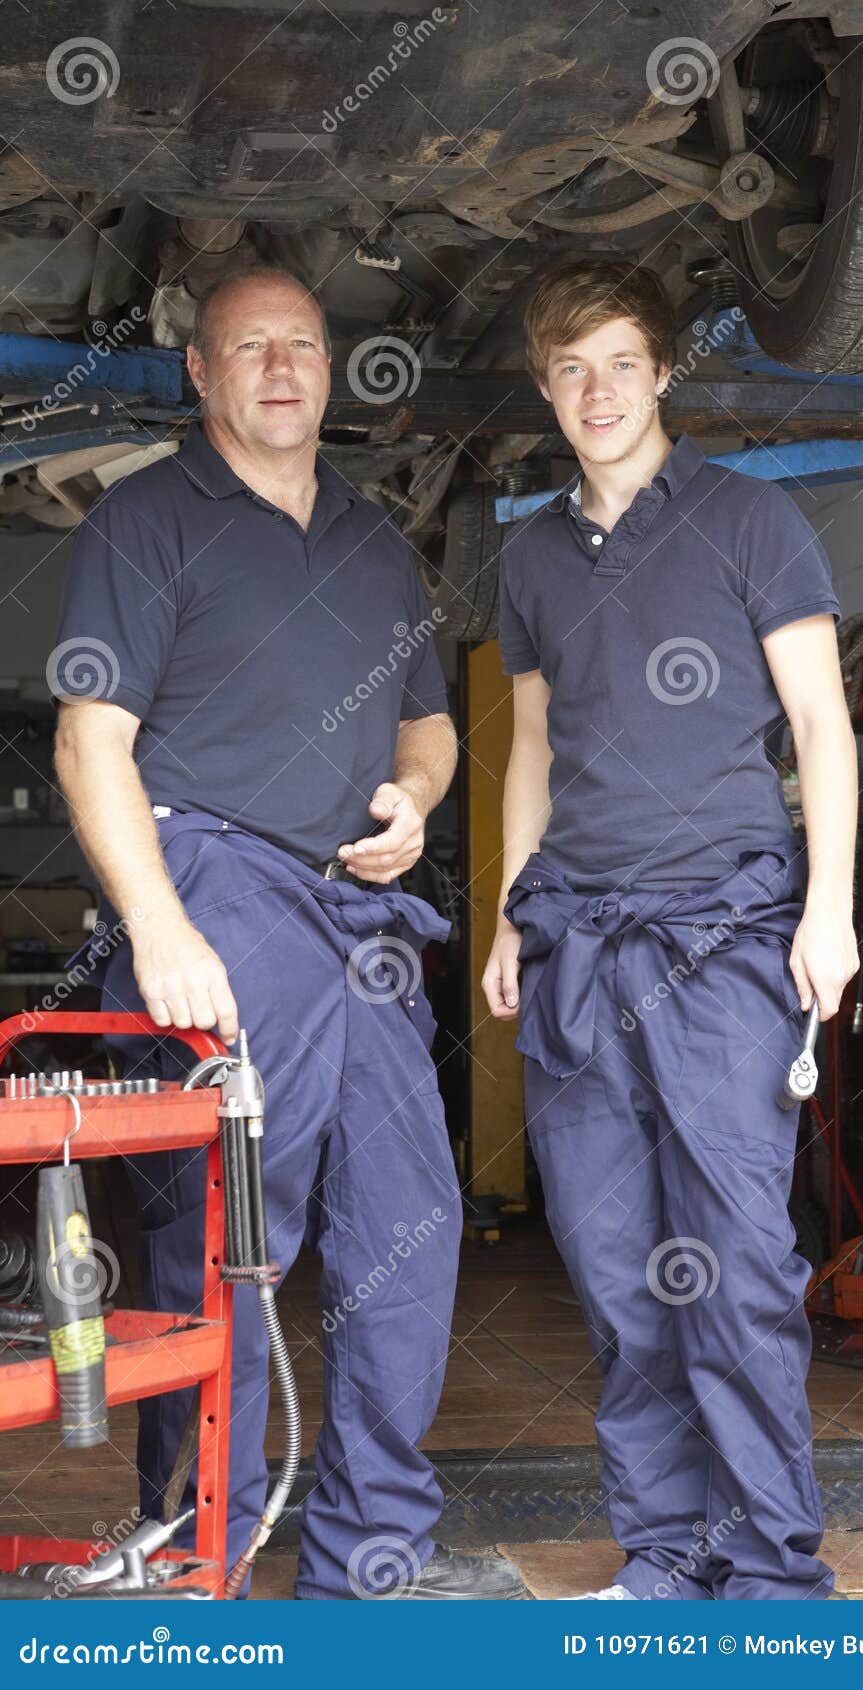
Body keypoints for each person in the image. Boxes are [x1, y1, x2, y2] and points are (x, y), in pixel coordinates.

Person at [52, 264, 523, 1601]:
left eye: (303, 345)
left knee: (409, 1219)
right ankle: (207, 1536)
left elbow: (427, 722)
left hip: (360, 910)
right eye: (248, 345)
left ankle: (372, 1539)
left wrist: (415, 798)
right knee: (221, 1237)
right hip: (215, 881)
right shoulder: (143, 524)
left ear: (333, 370)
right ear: (198, 374)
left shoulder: (376, 541)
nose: (280, 366)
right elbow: (94, 743)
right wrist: (159, 923)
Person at [482, 259, 860, 1600]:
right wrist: (510, 914)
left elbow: (821, 728)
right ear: (546, 386)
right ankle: (665, 1547)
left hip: (725, 941)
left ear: (661, 374)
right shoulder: (527, 551)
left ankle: (769, 1563)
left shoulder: (753, 523)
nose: (598, 391)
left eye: (623, 363)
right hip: (579, 942)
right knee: (615, 1267)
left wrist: (831, 910)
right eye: (571, 368)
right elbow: (530, 746)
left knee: (740, 1264)